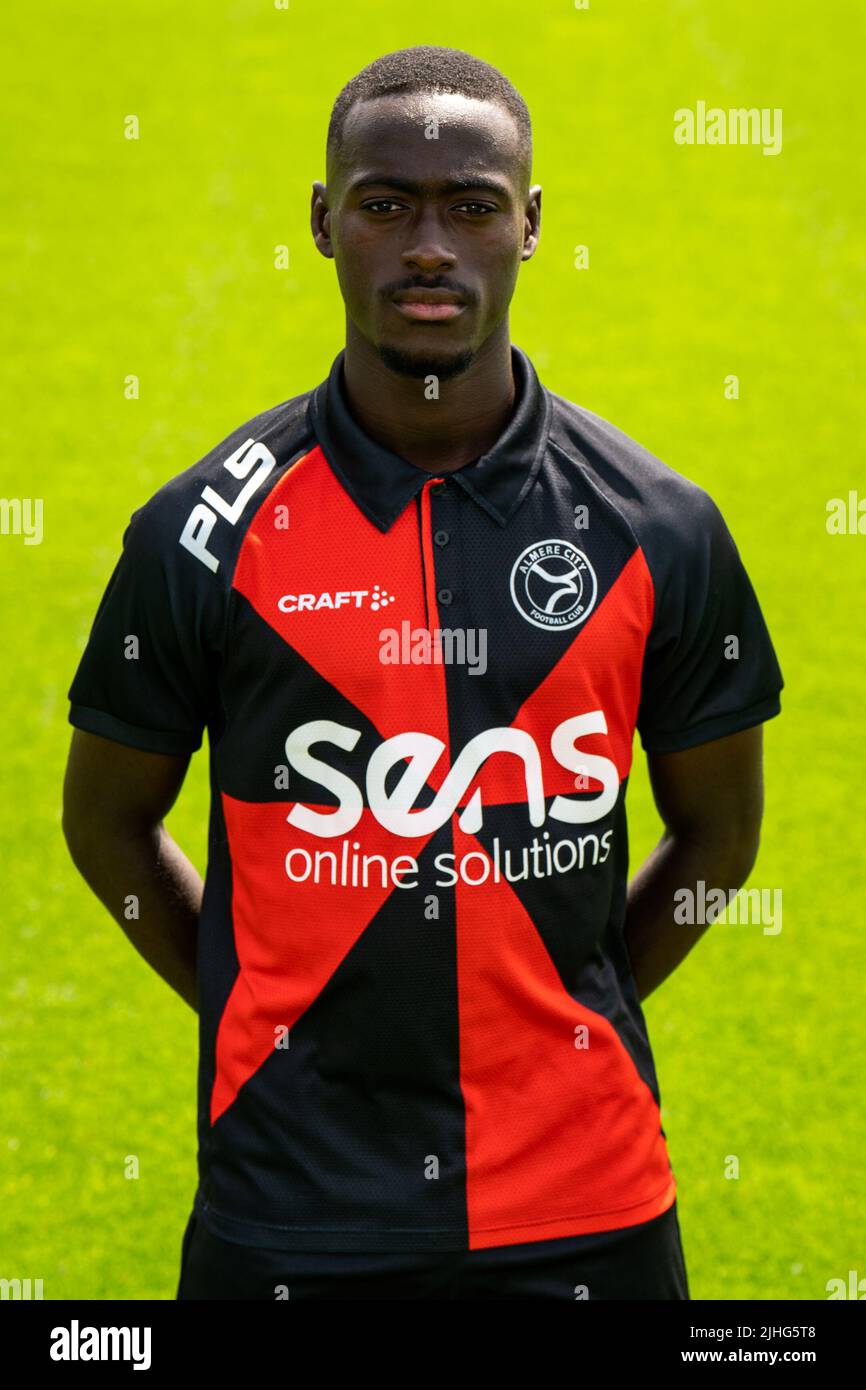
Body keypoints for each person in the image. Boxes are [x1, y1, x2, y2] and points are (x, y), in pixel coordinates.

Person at [62, 45, 783, 1300]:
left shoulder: (660, 528)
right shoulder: (201, 535)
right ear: (322, 222)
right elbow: (107, 822)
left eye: (472, 206)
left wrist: (557, 1005)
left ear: (532, 224)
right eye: (385, 204)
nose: (429, 246)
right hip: (290, 1212)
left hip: (588, 1207)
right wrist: (267, 1013)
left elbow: (718, 836)